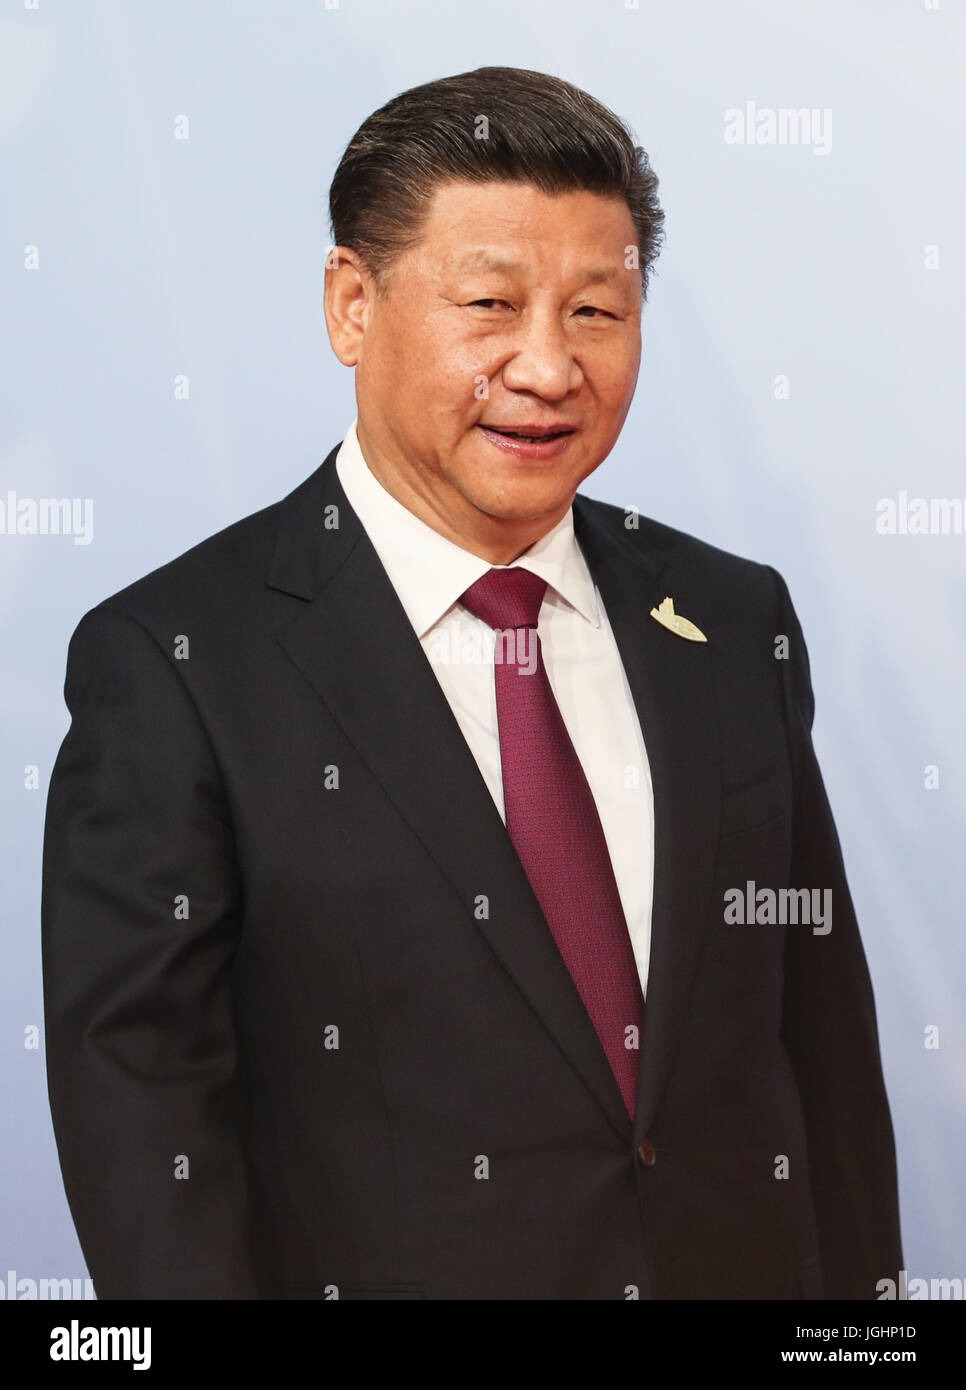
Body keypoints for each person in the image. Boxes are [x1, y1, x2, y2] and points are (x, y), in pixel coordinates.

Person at [41, 65, 903, 1300]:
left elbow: (821, 1043)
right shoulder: (178, 663)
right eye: (491, 303)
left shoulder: (729, 615)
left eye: (597, 312)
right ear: (352, 304)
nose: (549, 368)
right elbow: (147, 1122)